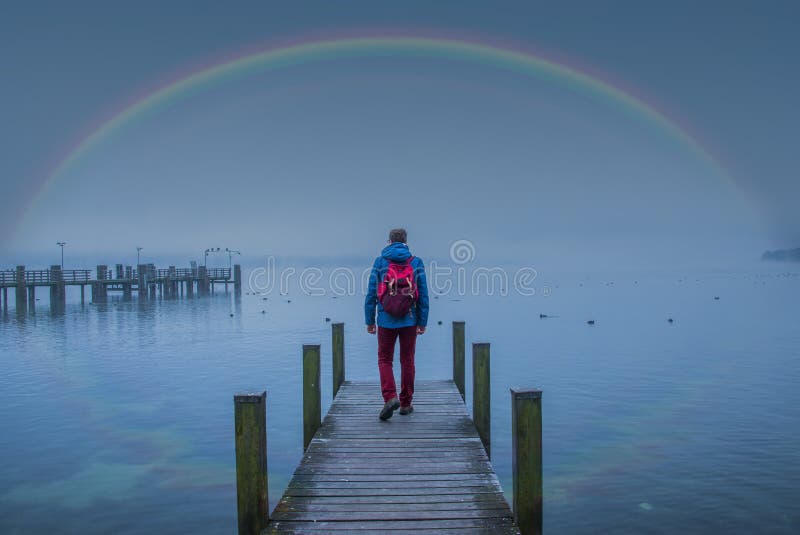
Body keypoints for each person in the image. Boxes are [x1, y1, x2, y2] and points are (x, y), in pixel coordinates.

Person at [365, 228, 429, 420]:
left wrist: (369, 320)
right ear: (405, 242)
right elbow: (423, 295)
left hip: (385, 320)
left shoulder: (380, 262)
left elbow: (371, 293)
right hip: (410, 319)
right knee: (407, 360)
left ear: (389, 241)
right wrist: (422, 321)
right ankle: (406, 403)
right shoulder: (416, 262)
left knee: (385, 359)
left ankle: (390, 397)